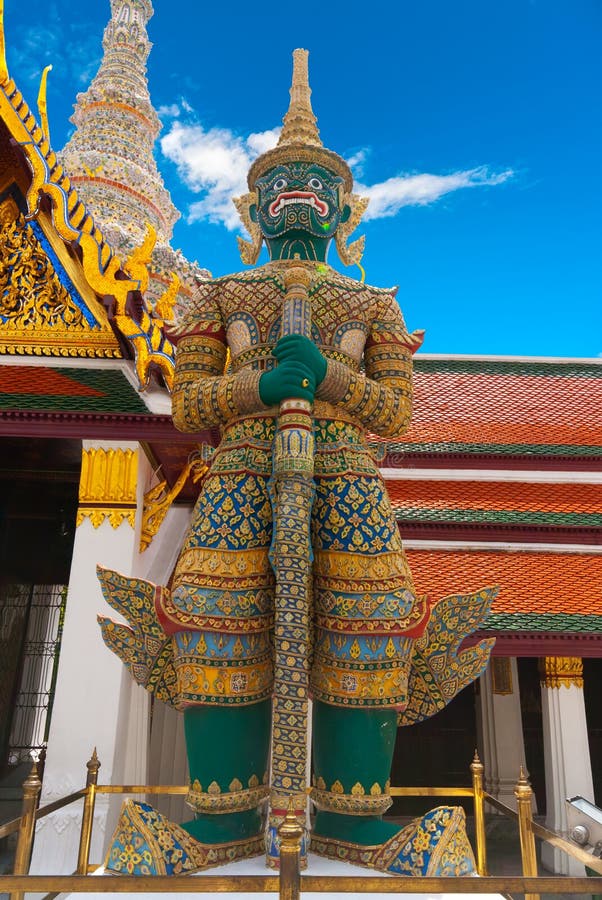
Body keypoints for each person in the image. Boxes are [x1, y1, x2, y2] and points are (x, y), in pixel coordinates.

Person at [99, 49, 496, 877]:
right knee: (215, 626)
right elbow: (189, 403)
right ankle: (222, 818)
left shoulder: (370, 305)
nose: (299, 200)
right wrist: (261, 383)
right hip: (242, 473)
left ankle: (350, 824)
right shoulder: (222, 296)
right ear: (256, 205)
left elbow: (395, 414)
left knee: (369, 635)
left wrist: (330, 377)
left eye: (316, 186)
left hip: (348, 477)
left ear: (343, 207)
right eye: (283, 186)